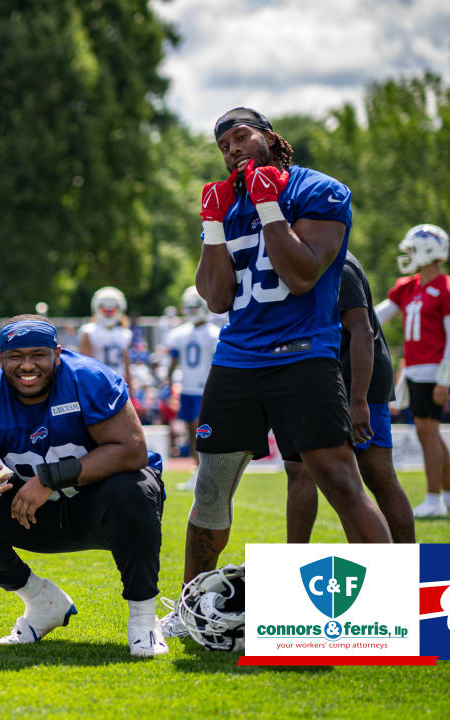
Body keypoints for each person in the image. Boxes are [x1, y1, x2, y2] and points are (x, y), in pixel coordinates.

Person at [164, 107, 392, 637]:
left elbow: (302, 274)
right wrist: (212, 226)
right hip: (237, 358)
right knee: (210, 490)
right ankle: (189, 610)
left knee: (340, 479)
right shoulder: (230, 201)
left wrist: (269, 206)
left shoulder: (319, 189)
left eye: (240, 137)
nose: (231, 149)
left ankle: (389, 608)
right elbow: (217, 297)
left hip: (302, 354)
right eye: (222, 145)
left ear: (269, 137)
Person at [0, 317, 168, 657]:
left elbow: (132, 451)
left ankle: (145, 621)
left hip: (103, 506)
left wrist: (49, 477)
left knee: (133, 487)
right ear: (0, 359)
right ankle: (41, 601)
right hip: (36, 513)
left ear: (58, 353)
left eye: (38, 355)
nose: (27, 365)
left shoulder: (87, 378)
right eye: (16, 356)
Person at [286, 252, 414, 542]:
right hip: (316, 376)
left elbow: (362, 330)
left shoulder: (336, 262)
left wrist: (358, 400)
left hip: (356, 377)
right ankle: (292, 564)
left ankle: (412, 571)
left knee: (377, 474)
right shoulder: (296, 256)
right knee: (299, 469)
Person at [374, 224, 450, 518]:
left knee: (427, 432)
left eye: (412, 248)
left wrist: (445, 377)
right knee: (429, 433)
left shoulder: (444, 288)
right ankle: (443, 496)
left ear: (429, 250)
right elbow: (377, 315)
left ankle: (434, 499)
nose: (407, 255)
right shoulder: (408, 286)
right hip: (416, 368)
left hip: (434, 370)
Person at [165, 286, 219, 490]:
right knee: (190, 431)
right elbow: (173, 360)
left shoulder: (214, 333)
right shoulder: (180, 333)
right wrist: (169, 381)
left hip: (205, 387)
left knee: (201, 431)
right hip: (187, 388)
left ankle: (206, 472)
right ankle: (197, 470)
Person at [77, 287, 133, 389]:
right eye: (105, 309)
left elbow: (126, 366)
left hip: (117, 383)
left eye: (112, 310)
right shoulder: (88, 331)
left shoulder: (125, 333)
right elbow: (85, 365)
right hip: (98, 382)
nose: (109, 312)